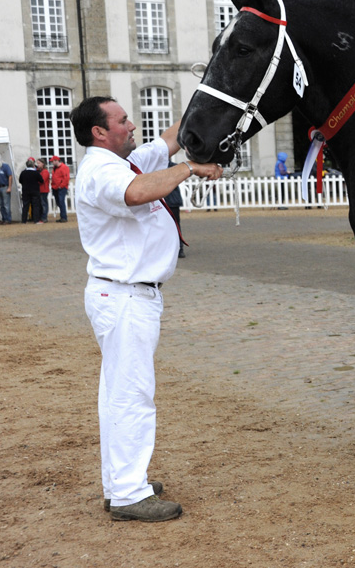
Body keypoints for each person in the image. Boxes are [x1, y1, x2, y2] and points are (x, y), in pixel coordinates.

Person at [69, 96, 222, 522]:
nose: (132, 124)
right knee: (131, 396)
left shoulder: (127, 161)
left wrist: (208, 97)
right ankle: (128, 494)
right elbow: (137, 193)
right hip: (124, 296)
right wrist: (190, 168)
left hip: (127, 295)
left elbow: (170, 140)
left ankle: (120, 483)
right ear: (100, 132)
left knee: (118, 394)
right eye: (122, 120)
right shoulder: (102, 171)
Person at [164, 161, 186, 259]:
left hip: (172, 201)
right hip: (165, 201)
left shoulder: (174, 167)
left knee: (176, 225)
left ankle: (180, 248)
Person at [18, 158, 43, 223]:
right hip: (35, 191)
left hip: (25, 191)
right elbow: (41, 180)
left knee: (25, 206)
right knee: (35, 206)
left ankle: (24, 220)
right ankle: (36, 220)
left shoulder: (23, 172)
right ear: (33, 165)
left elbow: (20, 181)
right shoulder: (36, 173)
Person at [50, 155, 70, 222]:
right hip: (55, 187)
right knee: (59, 202)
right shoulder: (55, 168)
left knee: (61, 202)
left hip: (61, 187)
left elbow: (66, 178)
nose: (52, 163)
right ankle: (62, 216)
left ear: (56, 161)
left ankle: (64, 217)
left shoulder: (64, 167)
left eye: (53, 161)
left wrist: (61, 185)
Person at [36, 158, 51, 223]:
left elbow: (42, 180)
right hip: (39, 190)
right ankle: (41, 217)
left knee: (43, 204)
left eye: (39, 163)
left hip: (43, 190)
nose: (38, 164)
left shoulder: (45, 171)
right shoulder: (39, 171)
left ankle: (44, 217)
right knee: (41, 204)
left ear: (43, 164)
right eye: (37, 163)